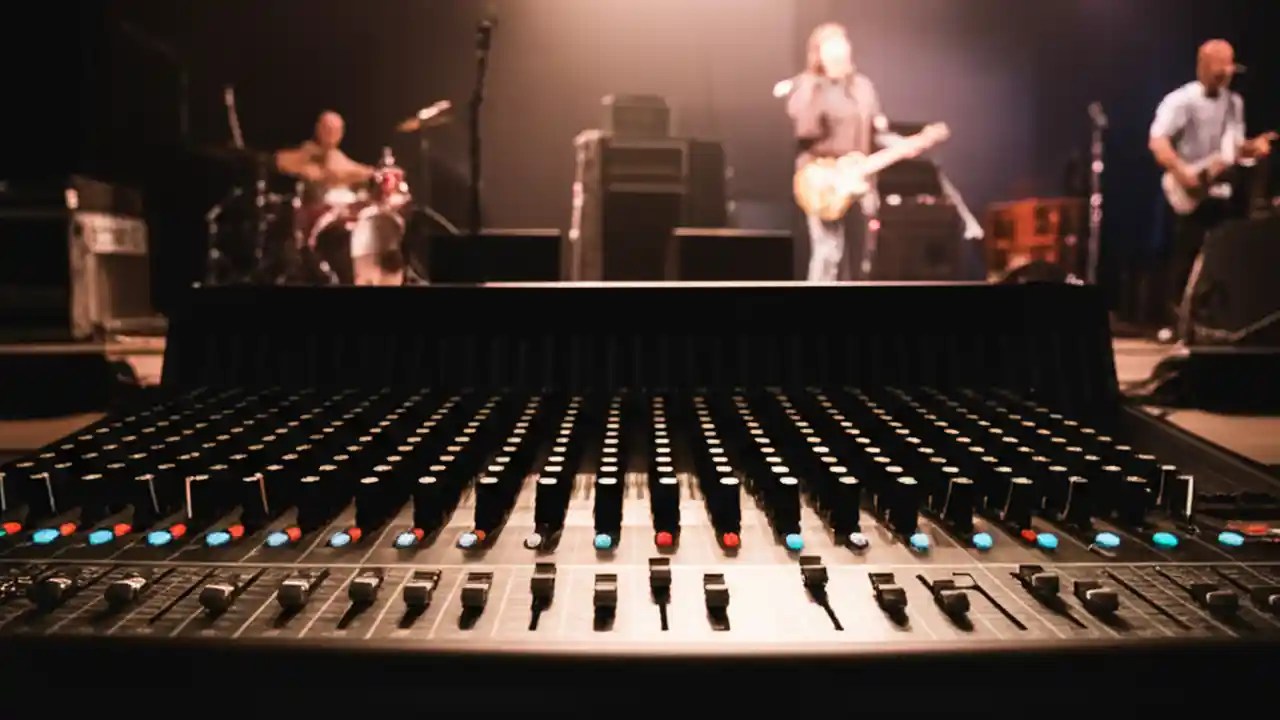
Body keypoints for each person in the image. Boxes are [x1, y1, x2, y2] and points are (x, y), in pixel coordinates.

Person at [1148, 39, 1272, 338]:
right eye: (1220, 68)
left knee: (1221, 256)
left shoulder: (1234, 104)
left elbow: (1233, 149)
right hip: (1187, 190)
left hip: (1220, 192)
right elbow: (1158, 141)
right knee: (1182, 257)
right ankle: (1174, 322)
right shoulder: (1181, 100)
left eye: (1229, 69)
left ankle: (1212, 324)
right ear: (1202, 65)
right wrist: (1183, 173)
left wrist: (1251, 150)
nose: (1226, 75)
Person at [784, 23, 884, 282]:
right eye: (832, 49)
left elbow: (877, 132)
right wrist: (817, 86)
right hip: (824, 180)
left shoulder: (863, 88)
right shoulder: (810, 87)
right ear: (820, 55)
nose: (841, 54)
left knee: (861, 254)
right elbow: (804, 131)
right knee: (829, 251)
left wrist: (906, 143)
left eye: (843, 46)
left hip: (860, 179)